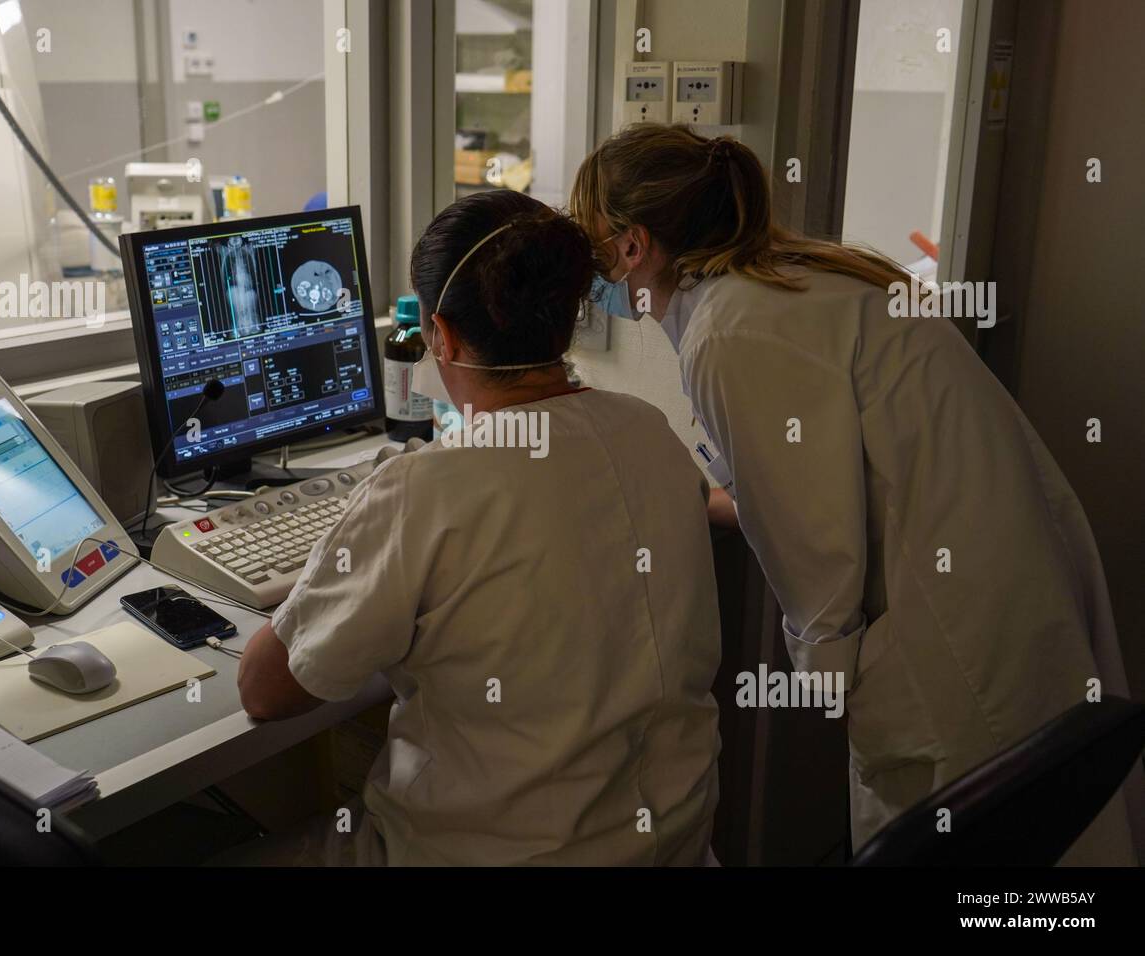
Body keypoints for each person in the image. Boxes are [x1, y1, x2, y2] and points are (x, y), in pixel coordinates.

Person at [571, 122, 1142, 863]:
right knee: (1038, 843)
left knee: (976, 847)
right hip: (1000, 579)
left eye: (589, 246)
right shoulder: (794, 279)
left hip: (946, 627)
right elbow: (814, 475)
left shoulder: (731, 329)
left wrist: (828, 680)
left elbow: (817, 543)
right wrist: (712, 501)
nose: (588, 274)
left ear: (632, 245)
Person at [238, 189, 721, 866]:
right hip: (672, 844)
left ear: (445, 335)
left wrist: (333, 553)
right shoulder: (648, 431)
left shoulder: (425, 488)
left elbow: (264, 691)